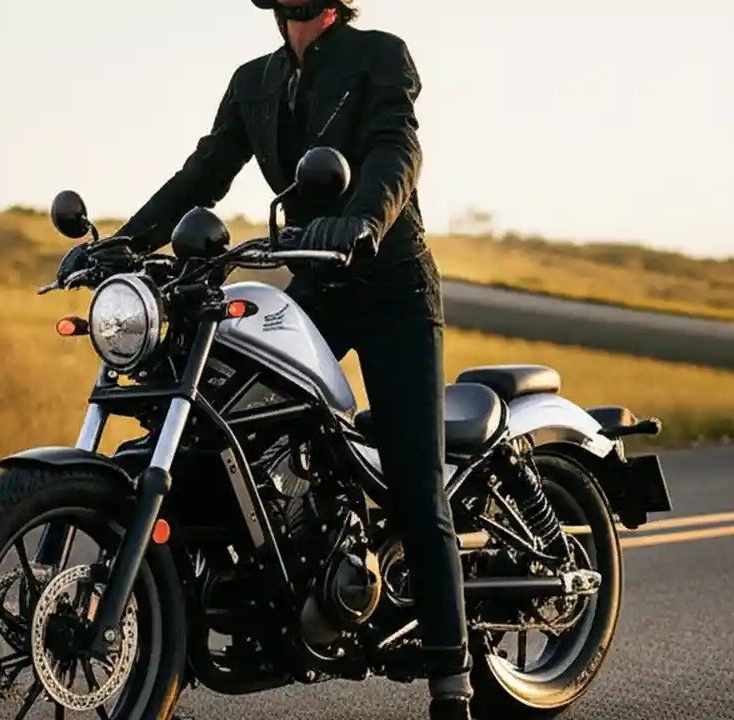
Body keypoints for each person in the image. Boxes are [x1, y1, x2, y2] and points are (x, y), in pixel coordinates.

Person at [113, 2, 472, 718]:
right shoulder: (256, 81)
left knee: (415, 483)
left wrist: (367, 219)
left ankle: (451, 685)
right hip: (318, 285)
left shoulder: (379, 54)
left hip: (391, 283)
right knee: (236, 426)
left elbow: (394, 150)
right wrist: (122, 244)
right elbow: (202, 174)